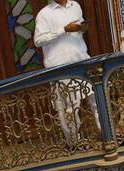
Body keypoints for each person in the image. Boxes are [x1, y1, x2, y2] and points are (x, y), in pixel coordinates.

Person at [33, 0, 96, 148]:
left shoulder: (75, 5)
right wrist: (64, 29)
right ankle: (74, 143)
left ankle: (107, 133)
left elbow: (78, 29)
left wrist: (82, 28)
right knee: (70, 107)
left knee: (96, 97)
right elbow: (38, 41)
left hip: (82, 59)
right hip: (61, 66)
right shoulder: (44, 14)